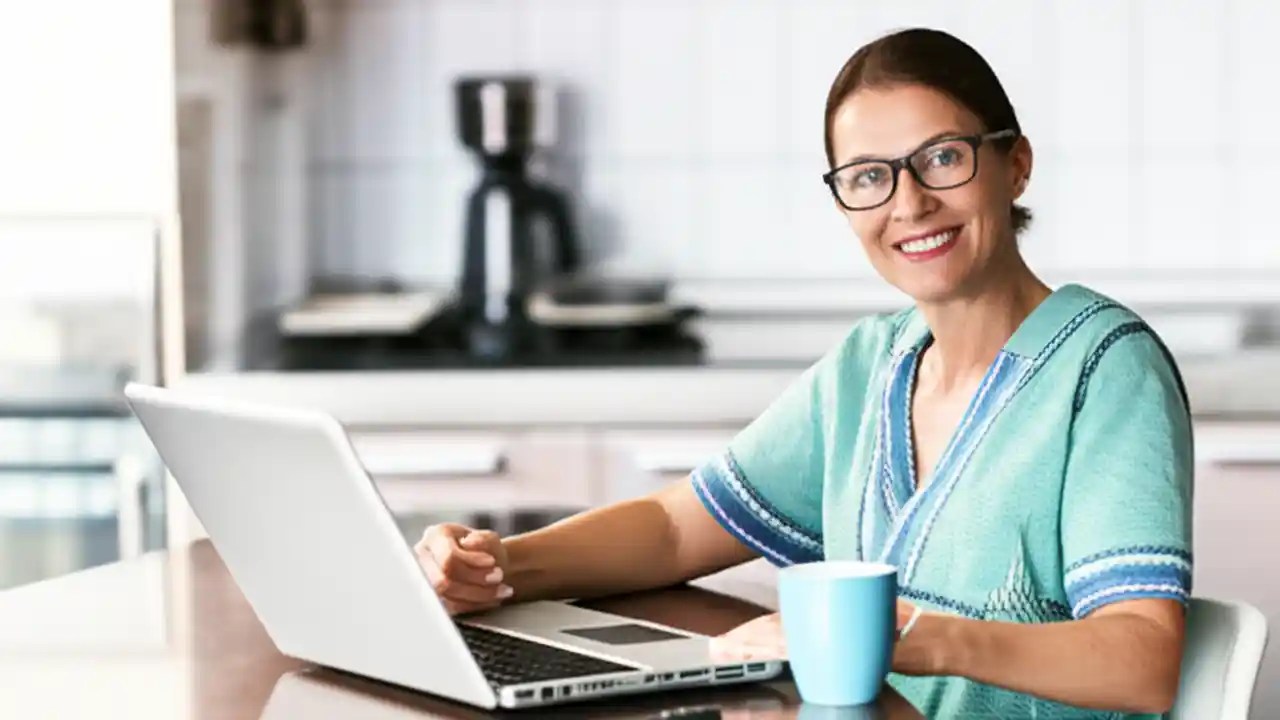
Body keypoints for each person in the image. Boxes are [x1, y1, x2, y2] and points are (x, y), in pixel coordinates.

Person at [414, 28, 1192, 718]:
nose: (909, 203)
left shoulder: (1104, 369)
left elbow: (1142, 661)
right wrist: (498, 566)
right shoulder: (868, 369)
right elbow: (676, 528)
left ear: (1014, 164)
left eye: (943, 158)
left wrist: (910, 637)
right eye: (868, 176)